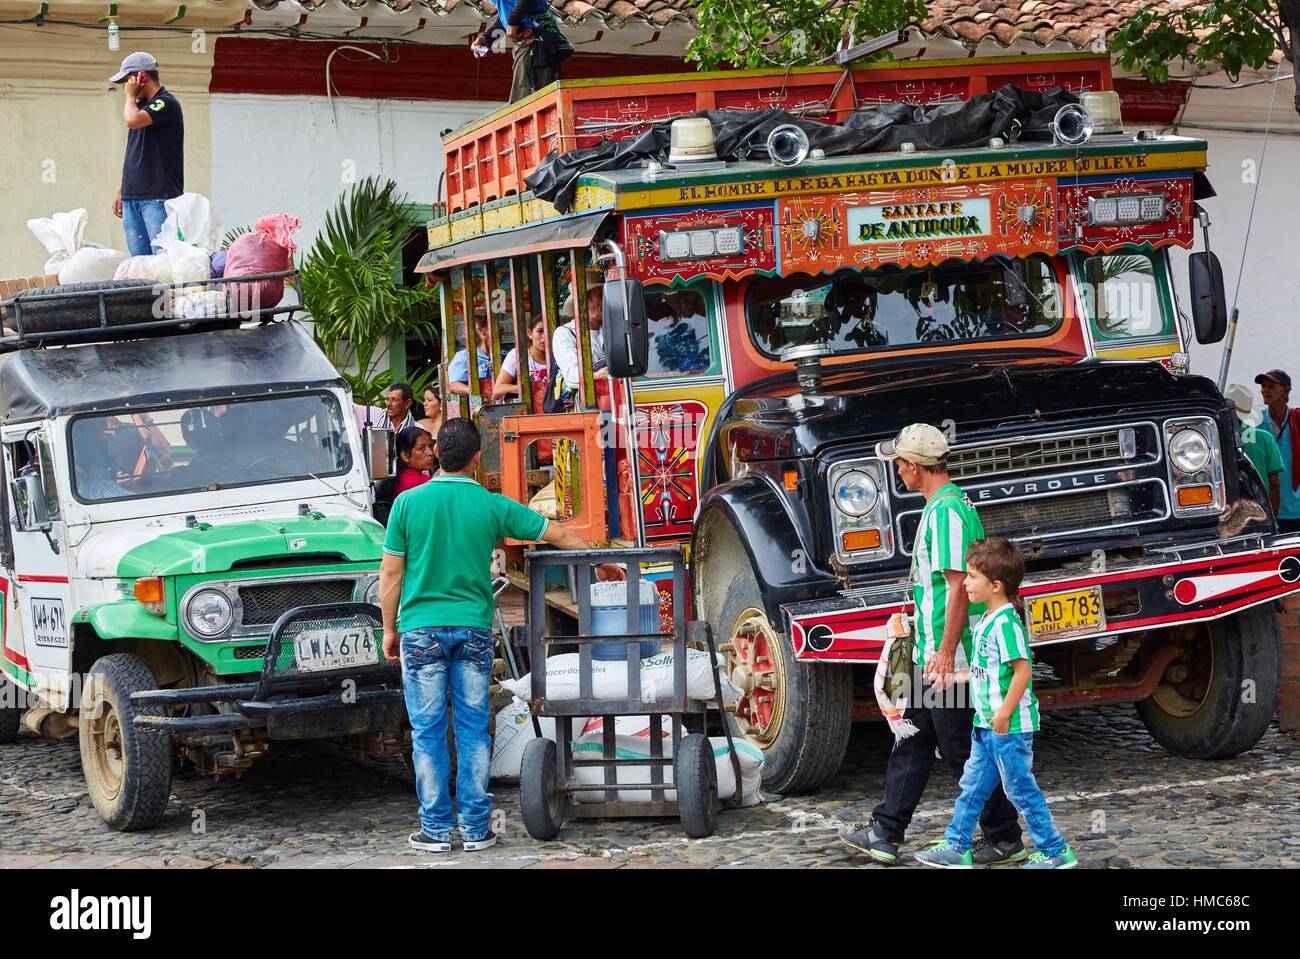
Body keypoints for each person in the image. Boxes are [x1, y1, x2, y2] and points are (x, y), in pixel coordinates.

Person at [379, 418, 622, 853]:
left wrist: (390, 629)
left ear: (436, 454)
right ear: (477, 459)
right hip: (472, 630)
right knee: (473, 730)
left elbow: (391, 574)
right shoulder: (492, 505)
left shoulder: (407, 505)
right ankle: (476, 828)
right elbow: (557, 532)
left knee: (427, 733)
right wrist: (600, 560)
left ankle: (435, 830)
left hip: (420, 632)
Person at [841, 423, 1022, 865]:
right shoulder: (949, 506)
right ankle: (886, 830)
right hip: (934, 651)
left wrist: (943, 652)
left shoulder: (945, 513)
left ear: (916, 467)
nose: (898, 470)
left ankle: (1005, 838)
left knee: (960, 747)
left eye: (900, 463)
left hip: (949, 656)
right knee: (913, 736)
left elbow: (958, 588)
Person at [914, 537, 1077, 869]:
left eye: (972, 577)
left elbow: (1023, 672)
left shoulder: (1005, 624)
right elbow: (985, 673)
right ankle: (958, 846)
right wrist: (954, 679)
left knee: (1020, 791)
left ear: (996, 585)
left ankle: (1054, 850)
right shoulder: (986, 621)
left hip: (1008, 729)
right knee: (971, 788)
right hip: (986, 727)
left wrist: (1003, 715)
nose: (966, 583)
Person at [110, 52, 184, 257]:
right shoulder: (137, 107)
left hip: (157, 197)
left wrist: (130, 96)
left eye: (127, 80)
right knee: (140, 265)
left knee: (162, 262)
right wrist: (123, 189)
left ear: (141, 77)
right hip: (133, 196)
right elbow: (136, 151)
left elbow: (132, 120)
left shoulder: (165, 103)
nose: (126, 86)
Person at [479, 0, 574, 103]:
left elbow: (516, 12)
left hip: (537, 42)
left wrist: (513, 22)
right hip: (524, 44)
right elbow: (506, 13)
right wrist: (486, 38)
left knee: (534, 99)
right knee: (522, 96)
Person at [1226, 383, 1283, 515]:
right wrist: (1272, 519)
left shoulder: (1216, 437)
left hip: (1228, 517)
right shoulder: (1264, 438)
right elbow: (1274, 483)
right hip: (1261, 514)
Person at [547, 286, 606, 412]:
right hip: (587, 409)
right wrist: (597, 375)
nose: (605, 299)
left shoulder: (610, 329)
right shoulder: (564, 333)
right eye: (600, 295)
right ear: (582, 301)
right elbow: (573, 376)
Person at [1257, 369, 1300, 534]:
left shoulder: (1297, 420)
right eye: (1263, 386)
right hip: (1273, 511)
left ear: (1287, 390)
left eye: (1271, 385)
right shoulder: (1255, 423)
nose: (1265, 390)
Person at [494, 315, 550, 409]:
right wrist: (525, 389)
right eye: (540, 331)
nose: (544, 336)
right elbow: (498, 390)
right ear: (530, 333)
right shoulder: (517, 355)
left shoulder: (558, 355)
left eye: (549, 332)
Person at [448, 313, 495, 398]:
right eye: (493, 326)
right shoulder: (463, 357)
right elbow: (454, 385)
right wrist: (476, 392)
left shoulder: (504, 355)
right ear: (481, 331)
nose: (500, 329)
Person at [393, 427, 436, 496]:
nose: (430, 453)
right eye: (421, 448)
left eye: (430, 446)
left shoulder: (397, 479)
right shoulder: (421, 483)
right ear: (405, 456)